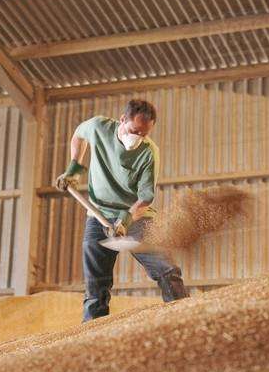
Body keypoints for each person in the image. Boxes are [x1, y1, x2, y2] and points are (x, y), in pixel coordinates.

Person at [55, 99, 189, 323]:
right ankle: (92, 336)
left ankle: (184, 319)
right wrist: (73, 169)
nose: (137, 137)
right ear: (122, 119)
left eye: (144, 134)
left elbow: (145, 198)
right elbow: (79, 135)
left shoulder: (149, 152)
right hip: (98, 217)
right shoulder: (98, 127)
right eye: (134, 130)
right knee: (95, 287)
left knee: (167, 269)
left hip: (136, 217)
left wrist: (125, 221)